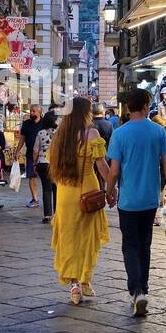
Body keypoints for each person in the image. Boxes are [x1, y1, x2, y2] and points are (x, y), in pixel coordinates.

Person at [106, 87, 166, 318]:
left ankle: (136, 291)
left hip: (128, 201)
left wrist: (109, 191)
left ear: (127, 108)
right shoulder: (158, 132)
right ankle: (143, 290)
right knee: (145, 244)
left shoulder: (120, 134)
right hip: (150, 199)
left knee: (130, 245)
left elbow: (114, 170)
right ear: (147, 106)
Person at [49, 97, 110, 305]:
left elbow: (54, 167)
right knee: (87, 237)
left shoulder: (59, 136)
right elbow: (101, 165)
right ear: (85, 113)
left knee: (68, 237)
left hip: (65, 192)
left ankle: (75, 284)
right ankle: (84, 278)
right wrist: (112, 187)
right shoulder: (91, 133)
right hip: (88, 190)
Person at [34, 110, 58, 223]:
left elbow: (35, 150)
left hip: (43, 163)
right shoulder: (60, 133)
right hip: (57, 164)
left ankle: (47, 215)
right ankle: (58, 213)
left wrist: (34, 163)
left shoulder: (40, 133)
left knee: (46, 189)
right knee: (57, 189)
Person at [19, 106, 42, 208]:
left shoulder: (45, 123)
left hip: (44, 155)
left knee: (48, 177)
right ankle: (35, 199)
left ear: (39, 112)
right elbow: (22, 138)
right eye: (31, 111)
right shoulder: (26, 124)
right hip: (30, 154)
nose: (31, 113)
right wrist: (17, 151)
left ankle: (49, 197)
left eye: (34, 111)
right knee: (32, 176)